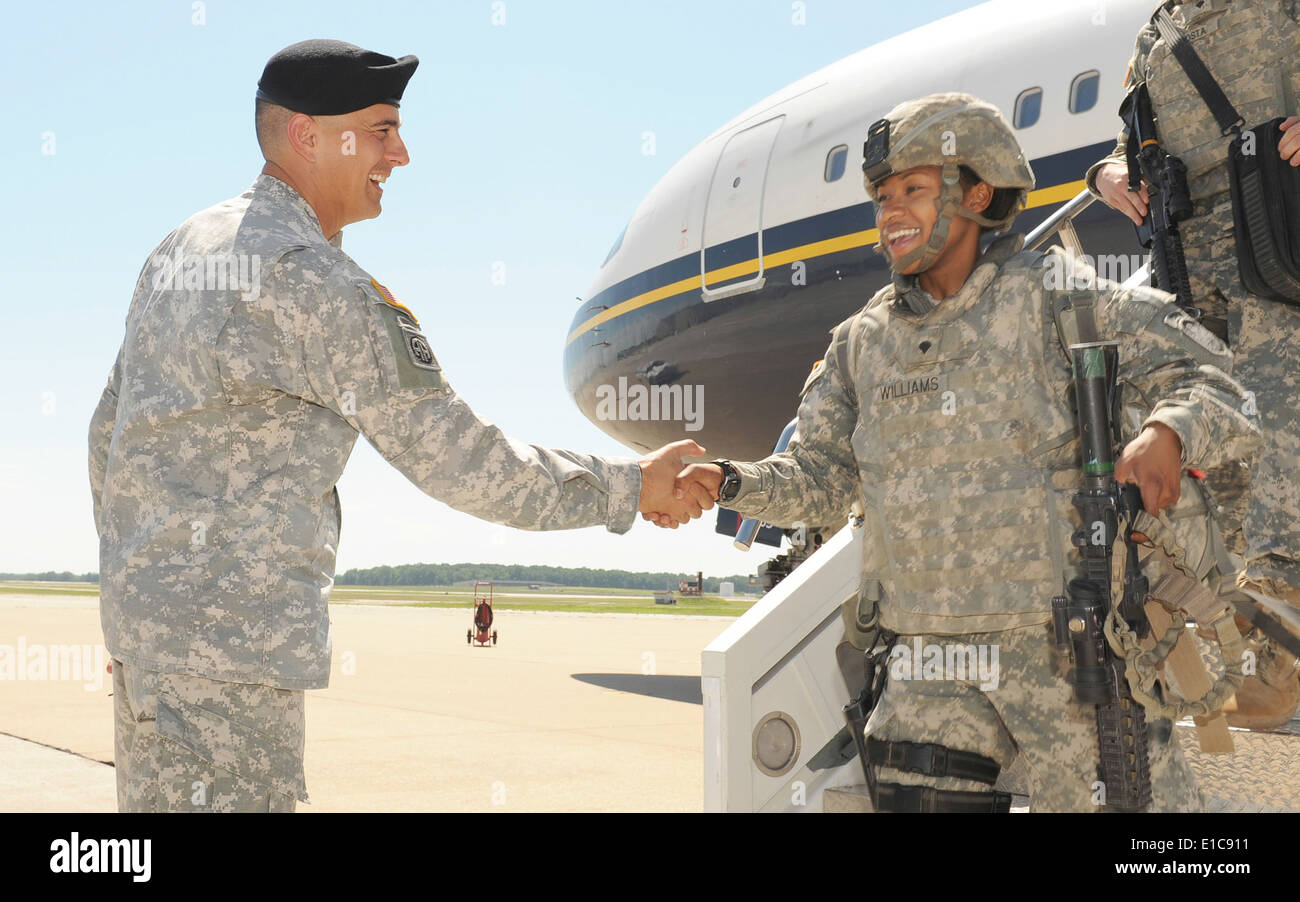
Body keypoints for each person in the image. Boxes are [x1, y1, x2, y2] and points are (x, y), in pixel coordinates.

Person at [87, 39, 705, 813]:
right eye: (381, 130)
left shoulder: (179, 252)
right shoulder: (309, 281)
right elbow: (455, 456)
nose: (402, 153)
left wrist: (133, 605)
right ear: (310, 136)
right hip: (231, 669)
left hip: (150, 653)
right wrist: (626, 488)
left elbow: (107, 433)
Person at [660, 92, 1260, 811]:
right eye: (882, 197)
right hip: (923, 665)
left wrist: (1170, 431)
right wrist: (727, 482)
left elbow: (1221, 383)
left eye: (912, 190)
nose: (890, 214)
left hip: (1065, 660)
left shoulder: (1058, 298)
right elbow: (819, 481)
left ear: (977, 192)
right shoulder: (859, 346)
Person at [1084, 0, 1300, 728]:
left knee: (1279, 401)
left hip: (1277, 220)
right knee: (1217, 425)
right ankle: (1232, 633)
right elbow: (1131, 139)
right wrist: (1104, 177)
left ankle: (1282, 627)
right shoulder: (1156, 32)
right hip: (1189, 247)